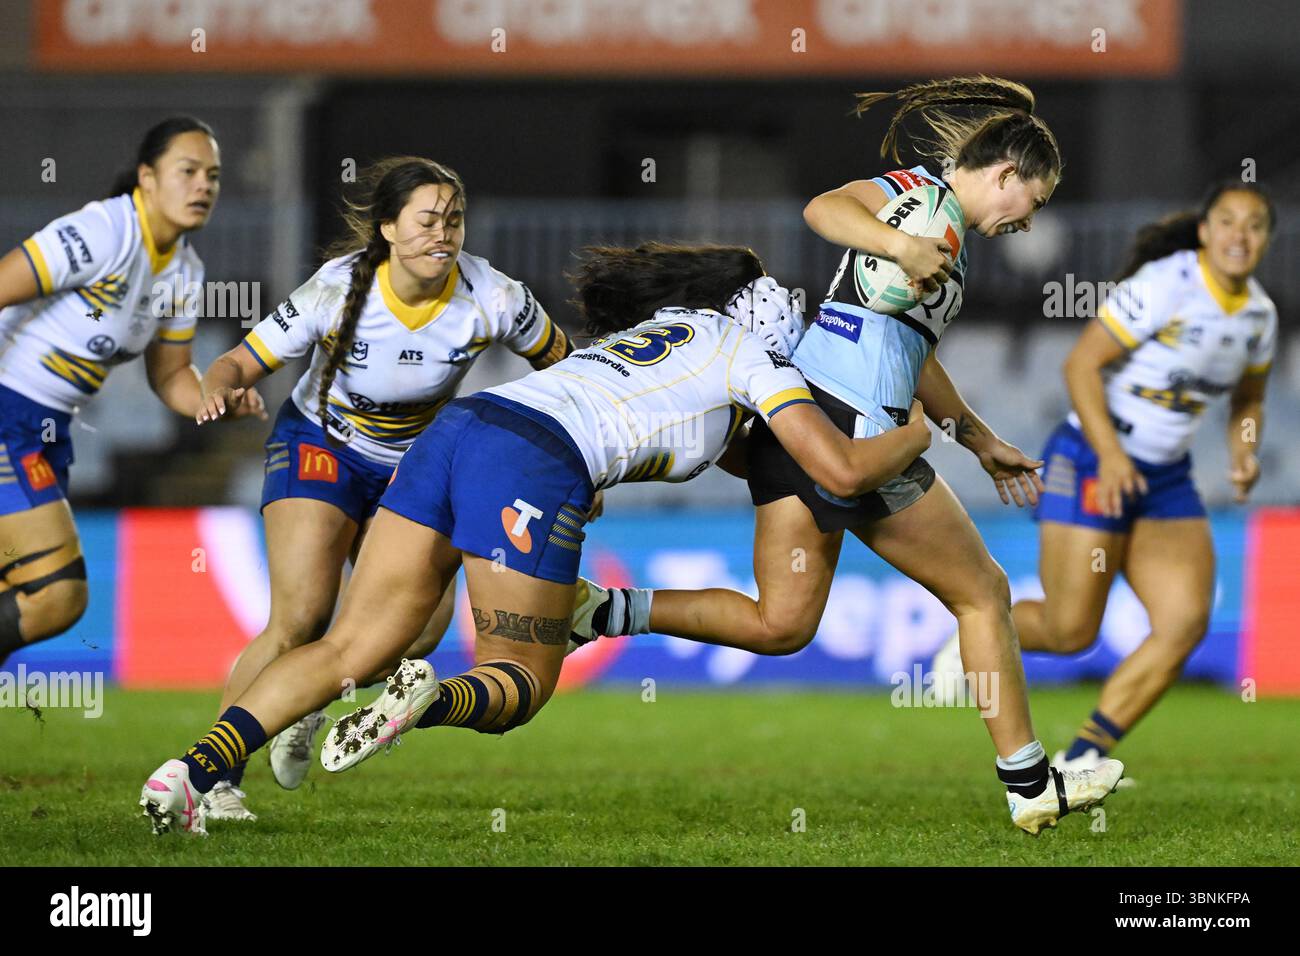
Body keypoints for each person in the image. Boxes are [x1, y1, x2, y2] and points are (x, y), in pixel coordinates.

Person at [139, 242, 933, 836]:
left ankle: (188, 773)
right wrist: (914, 434)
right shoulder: (754, 360)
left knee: (350, 645)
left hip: (462, 430)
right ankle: (427, 701)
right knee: (520, 680)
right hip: (534, 462)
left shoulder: (670, 329)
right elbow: (840, 466)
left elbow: (644, 415)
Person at [569, 76, 1124, 834]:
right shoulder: (926, 209)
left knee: (782, 625)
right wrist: (899, 243)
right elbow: (822, 209)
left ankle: (600, 609)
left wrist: (978, 435)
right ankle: (1029, 783)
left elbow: (910, 348)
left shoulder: (943, 232)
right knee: (983, 593)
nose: (1030, 220)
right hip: (853, 429)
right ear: (1005, 176)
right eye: (1034, 199)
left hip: (800, 415)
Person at [191, 156, 574, 821]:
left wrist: (572, 452)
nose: (443, 235)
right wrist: (222, 386)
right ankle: (216, 781)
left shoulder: (495, 296)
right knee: (302, 616)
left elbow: (564, 365)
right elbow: (237, 360)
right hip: (320, 446)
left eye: (454, 221)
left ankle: (303, 705)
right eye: (427, 221)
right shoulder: (339, 291)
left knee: (418, 636)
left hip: (416, 468)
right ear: (387, 228)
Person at [934, 181, 1276, 771]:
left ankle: (1087, 754)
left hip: (1165, 477)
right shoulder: (1166, 285)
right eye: (1227, 221)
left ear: (1266, 239)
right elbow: (1081, 365)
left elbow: (1248, 400)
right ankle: (975, 639)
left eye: (1254, 225)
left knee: (1184, 622)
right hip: (1092, 458)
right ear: (1204, 231)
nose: (1239, 235)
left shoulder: (1257, 318)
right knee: (1071, 633)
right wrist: (1113, 456)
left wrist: (1244, 450)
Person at [0, 117, 261, 668]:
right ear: (146, 177)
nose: (203, 186)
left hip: (49, 428)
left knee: (22, 591)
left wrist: (216, 402)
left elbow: (170, 376)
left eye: (212, 175)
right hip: (8, 414)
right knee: (55, 593)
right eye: (187, 171)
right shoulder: (104, 232)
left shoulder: (185, 271)